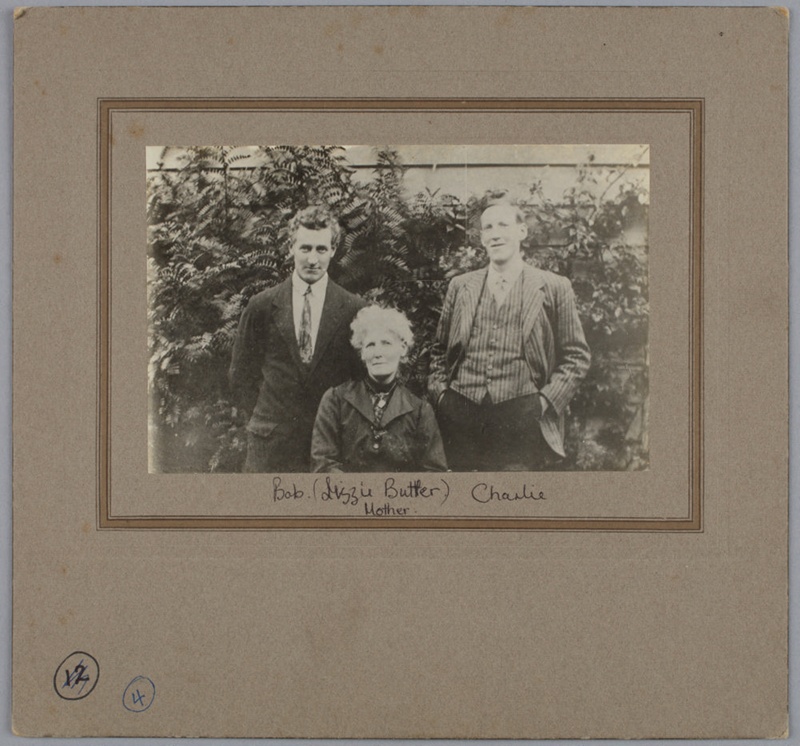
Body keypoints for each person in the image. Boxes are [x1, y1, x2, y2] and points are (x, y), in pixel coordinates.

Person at [428, 191, 590, 471]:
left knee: (514, 501)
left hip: (521, 418)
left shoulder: (553, 286)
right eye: (488, 228)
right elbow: (438, 350)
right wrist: (442, 397)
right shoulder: (461, 286)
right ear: (481, 238)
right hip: (460, 414)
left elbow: (576, 357)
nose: (495, 234)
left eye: (503, 225)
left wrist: (543, 403)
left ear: (522, 231)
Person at [229, 205, 366, 472]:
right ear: (290, 247)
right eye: (305, 248)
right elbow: (240, 375)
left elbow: (359, 381)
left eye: (321, 249)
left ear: (334, 251)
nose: (313, 259)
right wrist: (268, 420)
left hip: (329, 447)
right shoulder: (262, 306)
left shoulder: (353, 309)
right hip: (270, 449)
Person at [311, 305, 447, 472]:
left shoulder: (420, 411)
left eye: (386, 343)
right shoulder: (335, 401)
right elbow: (323, 464)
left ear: (402, 349)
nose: (378, 353)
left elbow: (434, 473)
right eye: (370, 345)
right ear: (362, 353)